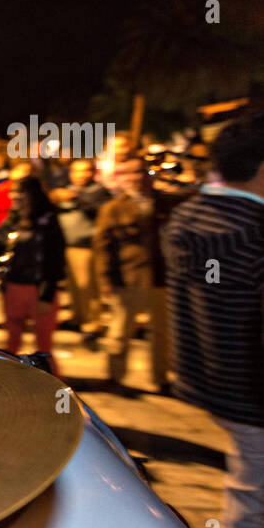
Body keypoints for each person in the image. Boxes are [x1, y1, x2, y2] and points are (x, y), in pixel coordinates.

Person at [163, 112, 264, 528]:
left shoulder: (190, 215)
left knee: (249, 486)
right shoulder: (253, 228)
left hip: (211, 375)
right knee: (253, 498)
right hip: (252, 386)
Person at [93, 156, 172, 391]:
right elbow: (102, 246)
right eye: (129, 174)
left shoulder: (165, 202)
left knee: (161, 332)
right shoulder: (114, 208)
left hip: (160, 276)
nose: (135, 178)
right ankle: (114, 376)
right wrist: (105, 279)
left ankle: (161, 377)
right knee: (120, 329)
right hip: (128, 276)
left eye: (139, 172)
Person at [0, 176, 66, 369]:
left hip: (39, 288)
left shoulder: (48, 220)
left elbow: (56, 258)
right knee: (12, 341)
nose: (15, 196)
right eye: (14, 192)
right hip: (14, 286)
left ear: (32, 195)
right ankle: (9, 378)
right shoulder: (13, 219)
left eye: (20, 192)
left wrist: (48, 292)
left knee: (44, 343)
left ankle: (52, 383)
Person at [52, 158, 111, 339]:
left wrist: (77, 197)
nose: (81, 175)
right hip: (67, 245)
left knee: (87, 286)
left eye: (85, 170)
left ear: (93, 172)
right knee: (74, 286)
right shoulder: (67, 190)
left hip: (87, 246)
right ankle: (78, 317)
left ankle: (92, 322)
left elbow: (98, 210)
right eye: (76, 171)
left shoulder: (99, 191)